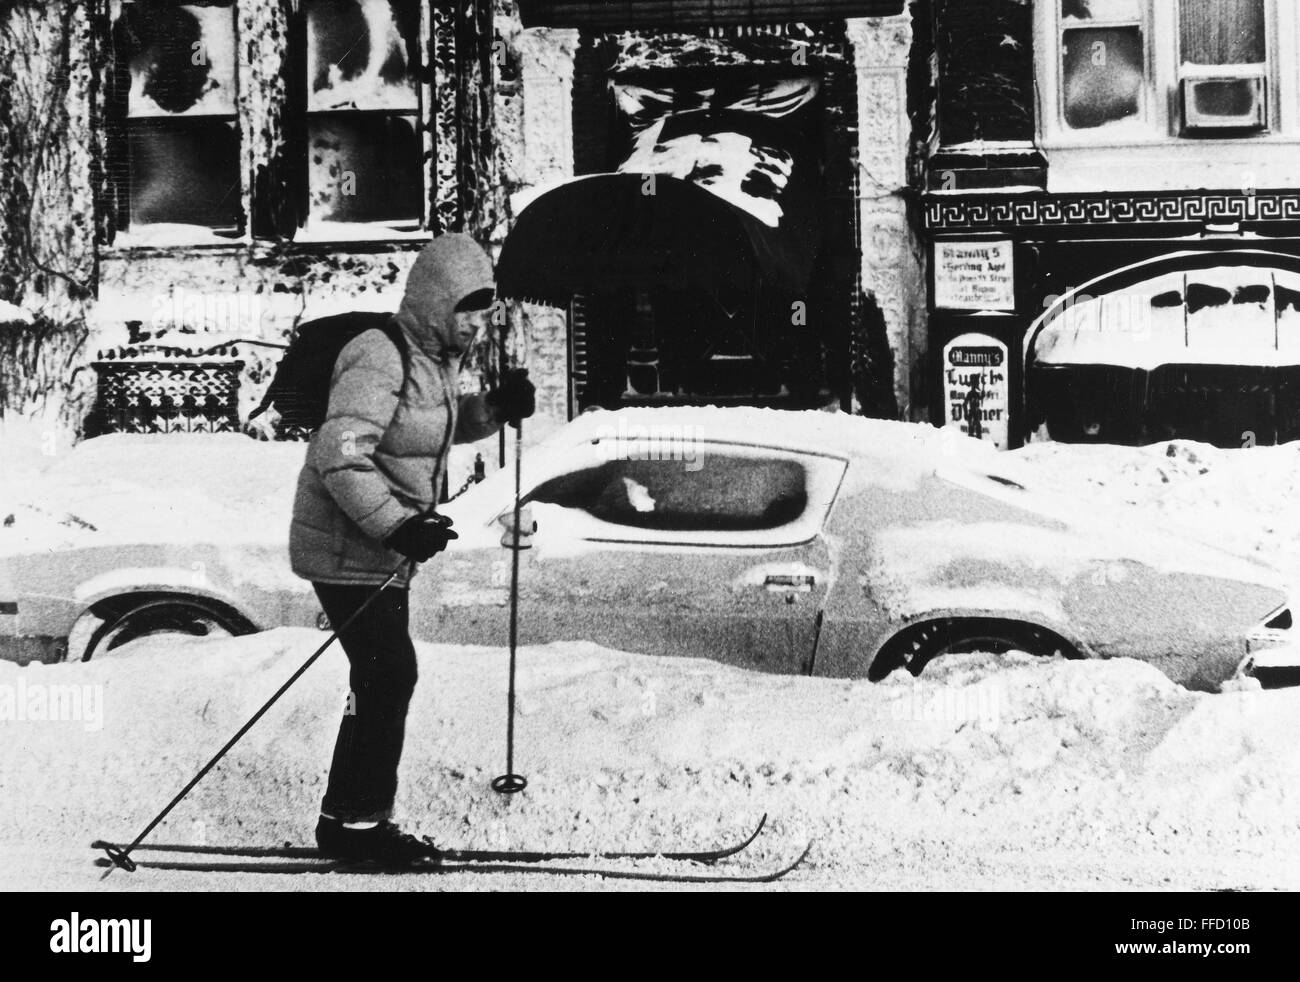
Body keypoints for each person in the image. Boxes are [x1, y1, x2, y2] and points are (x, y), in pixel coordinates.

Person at [288, 233, 535, 865]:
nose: (479, 322)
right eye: (469, 308)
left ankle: (348, 820)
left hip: (377, 549)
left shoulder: (433, 362)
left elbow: (423, 433)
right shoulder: (380, 355)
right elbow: (340, 456)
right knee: (387, 673)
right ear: (435, 302)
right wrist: (399, 526)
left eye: (486, 308)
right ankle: (357, 828)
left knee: (381, 676)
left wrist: (494, 410)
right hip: (346, 545)